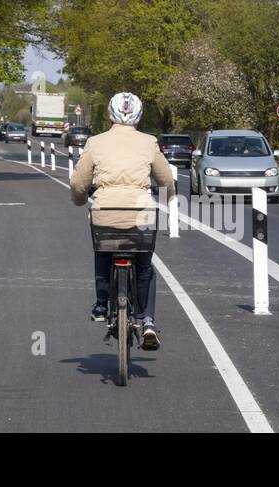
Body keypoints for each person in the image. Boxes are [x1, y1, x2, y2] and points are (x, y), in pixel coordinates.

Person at [70, 92, 175, 350]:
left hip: (106, 212)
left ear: (109, 114)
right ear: (138, 115)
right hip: (141, 216)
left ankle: (100, 304)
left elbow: (79, 182)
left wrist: (80, 199)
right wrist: (168, 196)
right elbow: (166, 181)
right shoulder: (149, 142)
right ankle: (148, 321)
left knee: (103, 251)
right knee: (145, 267)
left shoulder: (95, 143)